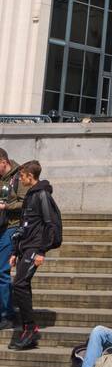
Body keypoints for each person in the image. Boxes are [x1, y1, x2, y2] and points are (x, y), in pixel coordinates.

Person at [8, 160, 61, 351]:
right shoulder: (30, 196)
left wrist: (41, 251)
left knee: (19, 284)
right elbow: (24, 226)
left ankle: (30, 329)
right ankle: (27, 329)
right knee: (22, 285)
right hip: (25, 247)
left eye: (22, 176)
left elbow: (50, 224)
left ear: (31, 176)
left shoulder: (42, 195)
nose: (20, 179)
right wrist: (15, 251)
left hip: (34, 248)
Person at [0, 149, 24, 328]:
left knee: (2, 271)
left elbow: (27, 201)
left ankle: (7, 314)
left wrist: (6, 206)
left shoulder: (20, 176)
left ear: (3, 161)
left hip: (11, 227)